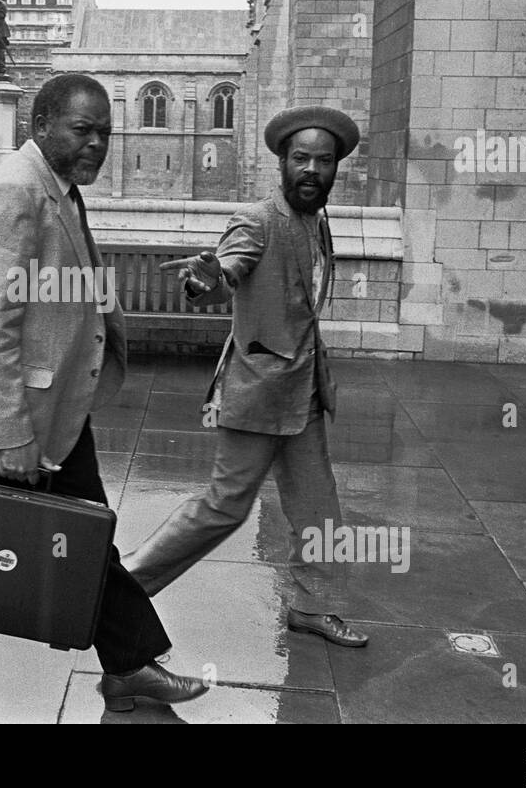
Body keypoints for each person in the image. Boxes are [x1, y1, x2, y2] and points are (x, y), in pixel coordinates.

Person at [0, 73, 208, 723]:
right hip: (8, 416)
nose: (97, 143)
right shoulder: (16, 191)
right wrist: (11, 434)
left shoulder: (59, 187)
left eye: (105, 132)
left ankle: (130, 666)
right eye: (83, 130)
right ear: (43, 125)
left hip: (53, 409)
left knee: (88, 538)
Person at [123, 105, 370, 649]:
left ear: (335, 169)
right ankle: (122, 587)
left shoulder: (316, 217)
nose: (311, 170)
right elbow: (225, 271)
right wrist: (204, 280)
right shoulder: (258, 221)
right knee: (224, 507)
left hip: (302, 389)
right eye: (300, 158)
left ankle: (311, 607)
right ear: (281, 162)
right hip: (259, 389)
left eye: (322, 161)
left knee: (318, 507)